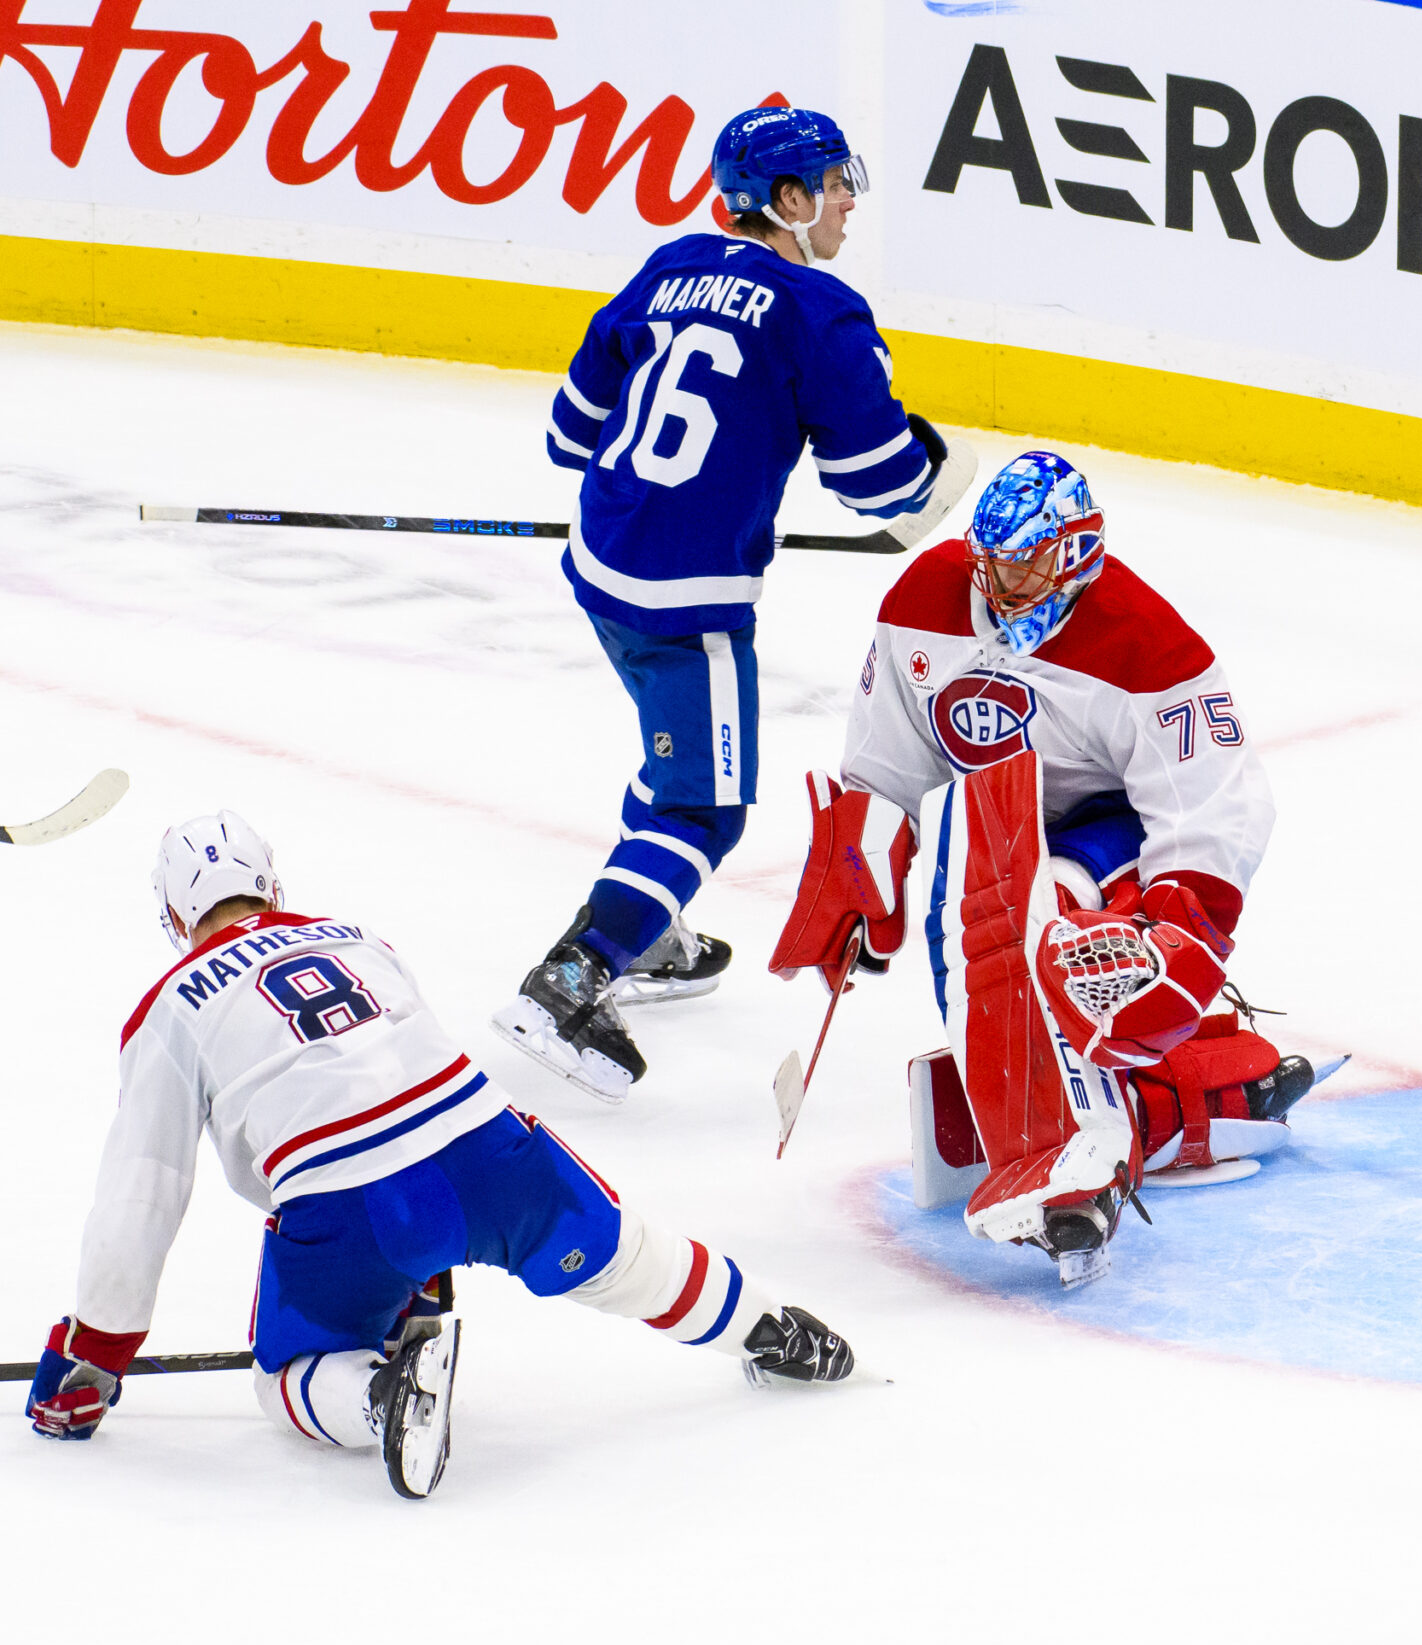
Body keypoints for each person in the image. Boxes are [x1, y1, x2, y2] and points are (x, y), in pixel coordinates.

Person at [26, 812, 854, 1499]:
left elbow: (141, 1201)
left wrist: (93, 1357)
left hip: (349, 1203)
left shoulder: (170, 1006)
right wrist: (425, 1278)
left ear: (175, 920)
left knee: (290, 1372)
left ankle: (381, 1400)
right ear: (274, 888)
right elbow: (407, 1073)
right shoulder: (359, 938)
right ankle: (768, 1326)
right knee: (627, 1254)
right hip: (487, 1148)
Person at [495, 104, 975, 1103]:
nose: (847, 200)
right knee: (704, 806)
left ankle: (652, 927)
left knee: (670, 755)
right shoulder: (820, 310)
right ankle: (576, 974)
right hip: (689, 605)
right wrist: (934, 457)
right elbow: (883, 489)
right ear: (787, 202)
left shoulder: (668, 266)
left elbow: (569, 429)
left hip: (601, 565)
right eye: (833, 183)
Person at [769, 451, 1309, 1288]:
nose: (1003, 584)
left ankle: (1078, 1147)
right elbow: (887, 765)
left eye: (1027, 564)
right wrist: (863, 852)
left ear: (1078, 551)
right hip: (985, 822)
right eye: (994, 563)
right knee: (979, 868)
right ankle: (1176, 1092)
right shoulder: (923, 601)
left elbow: (1213, 811)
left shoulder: (1152, 648)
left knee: (1039, 914)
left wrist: (1178, 929)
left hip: (1108, 835)